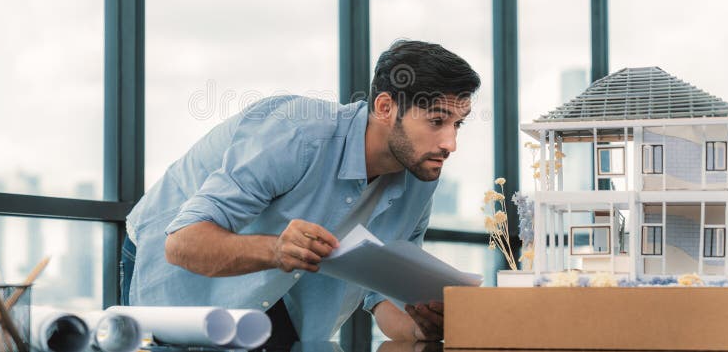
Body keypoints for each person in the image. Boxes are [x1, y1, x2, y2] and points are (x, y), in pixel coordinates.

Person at [121, 39, 480, 344]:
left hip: (283, 298)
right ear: (385, 108)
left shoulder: (420, 181)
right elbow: (182, 243)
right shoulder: (298, 134)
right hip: (179, 264)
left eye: (457, 124)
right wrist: (277, 248)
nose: (451, 143)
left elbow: (381, 299)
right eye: (436, 121)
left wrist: (422, 328)